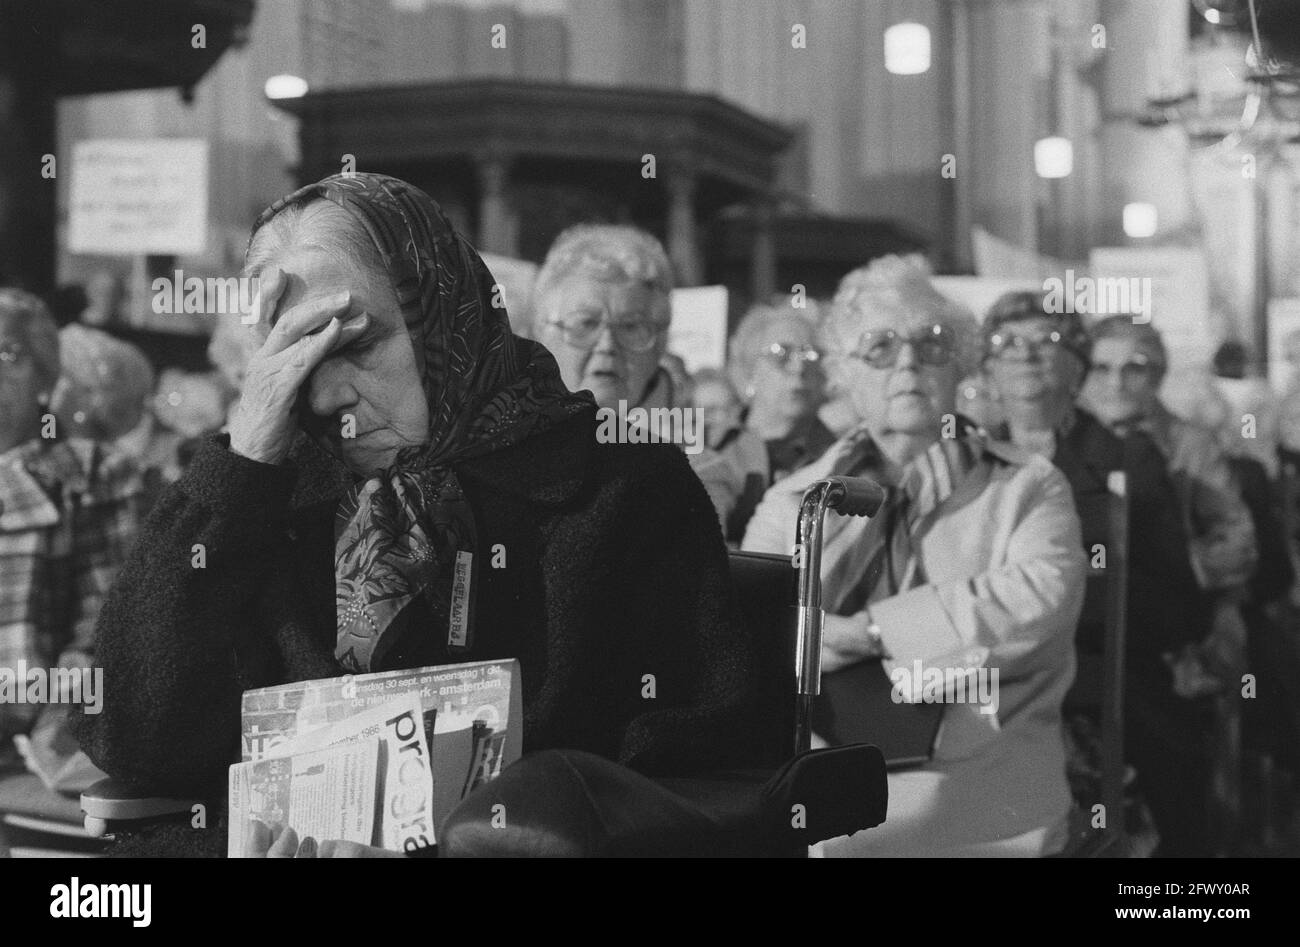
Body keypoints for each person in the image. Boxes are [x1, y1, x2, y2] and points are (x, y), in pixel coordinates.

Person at [76, 174, 757, 857]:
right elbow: (135, 742)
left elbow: (693, 780)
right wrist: (239, 466)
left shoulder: (623, 488)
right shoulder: (268, 489)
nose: (325, 395)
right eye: (292, 354)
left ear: (444, 314)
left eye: (356, 344)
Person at [743, 257, 1085, 857]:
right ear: (844, 373)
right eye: (879, 348)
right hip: (826, 771)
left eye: (932, 345)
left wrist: (873, 632)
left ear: (961, 366)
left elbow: (1040, 601)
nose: (908, 364)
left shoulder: (1027, 484)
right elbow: (754, 632)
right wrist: (823, 638)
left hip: (987, 786)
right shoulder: (795, 500)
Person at [979, 291, 1214, 856]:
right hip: (985, 682)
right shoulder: (963, 459)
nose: (1025, 354)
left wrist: (1070, 603)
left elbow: (1180, 609)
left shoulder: (1127, 461)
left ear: (1076, 366)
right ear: (986, 370)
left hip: (1100, 680)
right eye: (1007, 343)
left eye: (1046, 341)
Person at [0, 290, 142, 773]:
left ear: (45, 377)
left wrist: (50, 738)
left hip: (31, 753)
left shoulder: (93, 471)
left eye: (9, 355)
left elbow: (102, 631)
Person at [531, 223, 739, 529]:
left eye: (630, 327)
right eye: (586, 323)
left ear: (661, 343)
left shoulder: (695, 469)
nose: (607, 345)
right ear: (541, 332)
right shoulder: (496, 444)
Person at [723, 302, 836, 542]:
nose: (799, 367)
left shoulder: (840, 460)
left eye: (811, 355)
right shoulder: (708, 446)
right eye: (781, 354)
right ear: (749, 371)